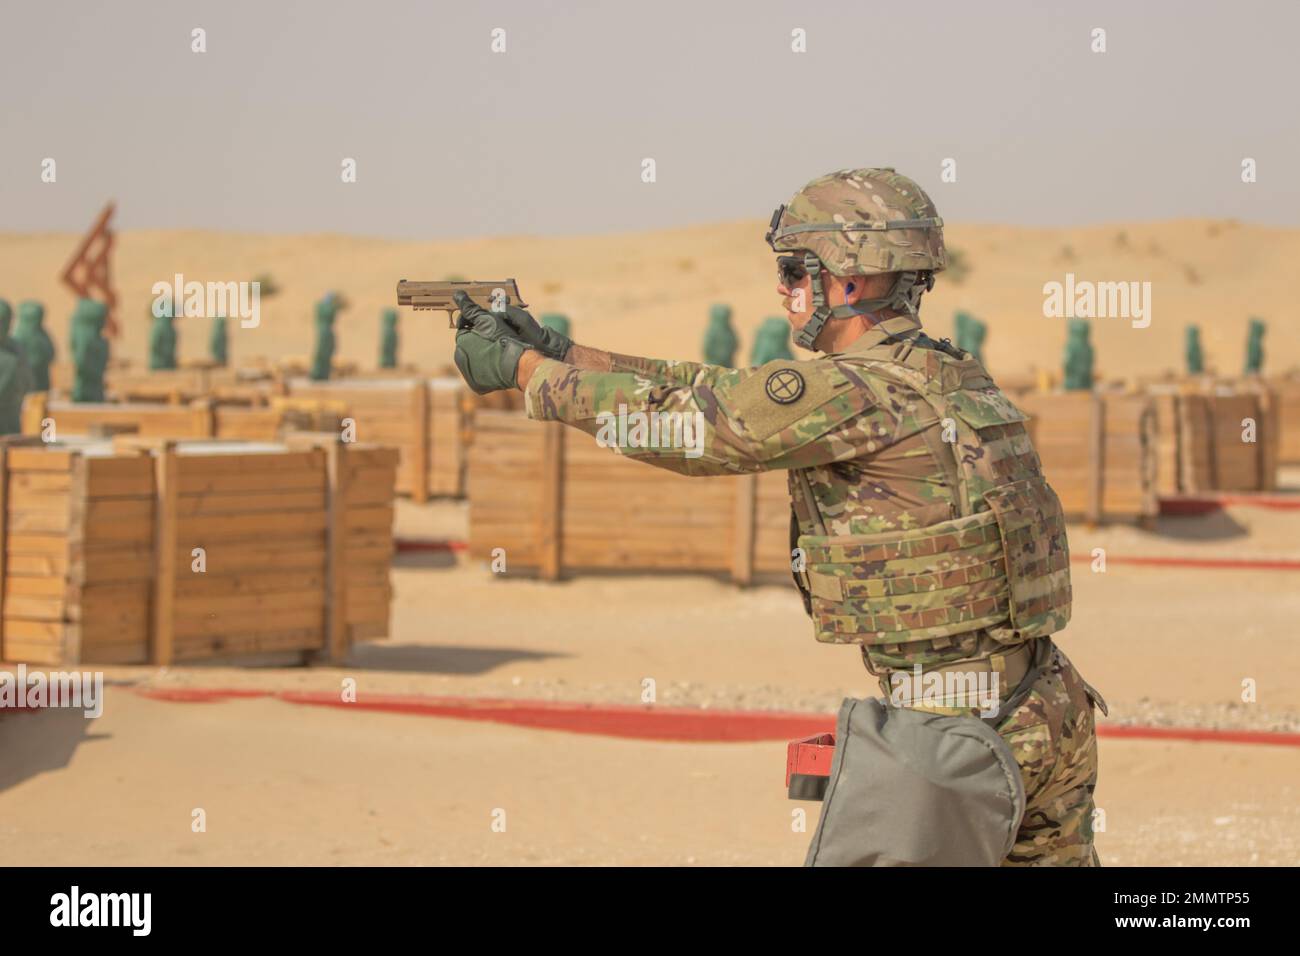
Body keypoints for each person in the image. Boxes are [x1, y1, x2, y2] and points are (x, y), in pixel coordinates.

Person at [452, 168, 1104, 866]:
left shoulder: (854, 390)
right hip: (1042, 702)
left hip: (950, 732)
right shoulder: (949, 374)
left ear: (849, 283)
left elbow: (690, 429)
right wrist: (560, 353)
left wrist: (527, 376)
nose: (783, 288)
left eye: (796, 270)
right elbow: (723, 390)